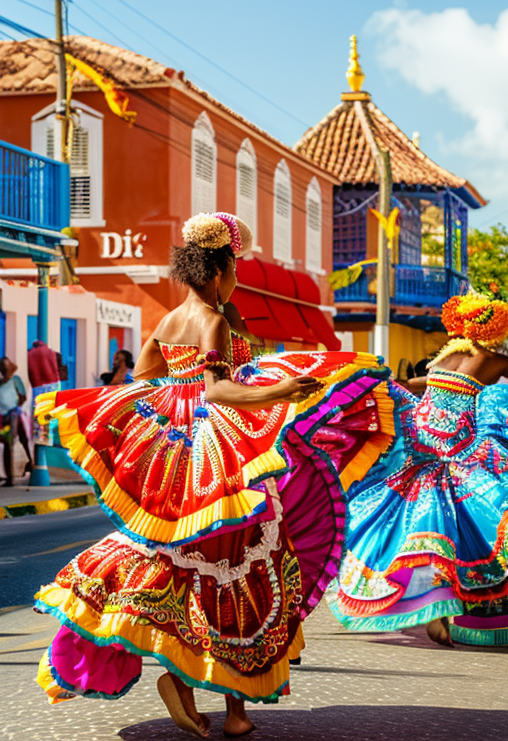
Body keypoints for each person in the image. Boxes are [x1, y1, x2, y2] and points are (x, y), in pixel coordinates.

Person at [32, 213, 394, 737]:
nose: (238, 279)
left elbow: (144, 377)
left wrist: (179, 403)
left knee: (186, 560)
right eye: (235, 270)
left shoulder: (172, 319)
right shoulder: (212, 320)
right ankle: (229, 707)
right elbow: (218, 390)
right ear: (219, 270)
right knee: (241, 567)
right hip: (218, 446)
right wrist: (281, 393)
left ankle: (215, 698)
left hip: (180, 447)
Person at [332, 295, 508, 647]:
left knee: (421, 516)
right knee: (475, 517)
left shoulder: (444, 357)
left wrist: (396, 386)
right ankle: (455, 603)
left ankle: (435, 607)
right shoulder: (493, 359)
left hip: (420, 439)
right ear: (495, 329)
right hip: (456, 445)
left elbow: (420, 384)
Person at [0, 357, 30, 485]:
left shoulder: (15, 380)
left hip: (13, 414)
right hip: (3, 416)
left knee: (18, 441)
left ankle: (29, 465)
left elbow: (22, 396)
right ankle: (10, 476)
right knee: (8, 444)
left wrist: (15, 409)